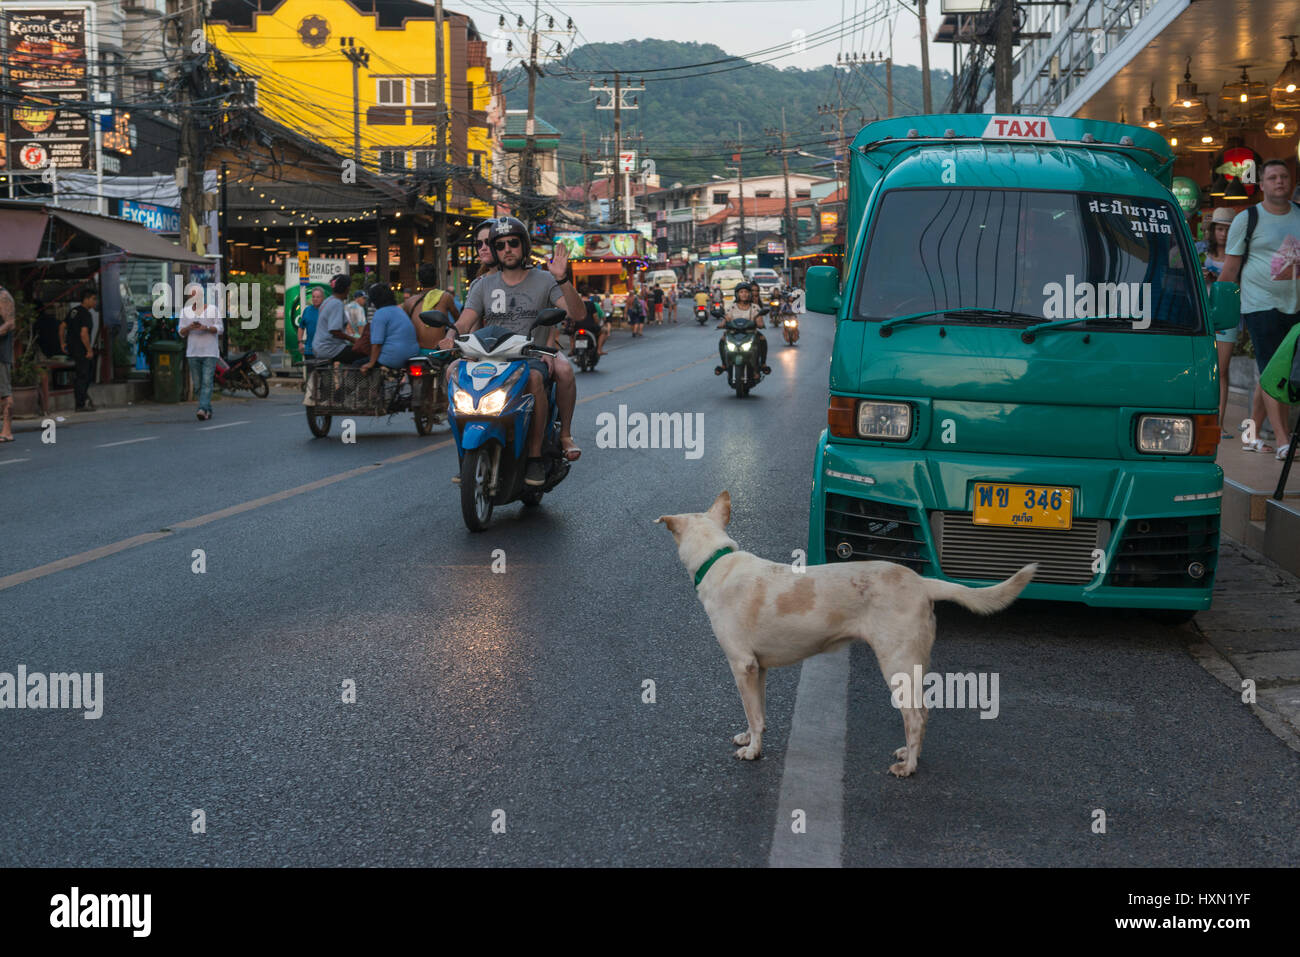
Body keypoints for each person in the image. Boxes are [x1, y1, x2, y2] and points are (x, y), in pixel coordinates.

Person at [438, 215, 584, 484]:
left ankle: (535, 457)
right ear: (495, 250)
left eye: (513, 243)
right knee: (453, 373)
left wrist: (562, 279)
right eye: (501, 244)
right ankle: (465, 454)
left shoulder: (544, 280)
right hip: (490, 357)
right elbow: (465, 320)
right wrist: (450, 336)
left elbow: (576, 313)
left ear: (523, 246)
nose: (507, 249)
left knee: (535, 378)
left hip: (529, 357)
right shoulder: (482, 285)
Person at [1219, 159, 1300, 461]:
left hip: (1296, 307)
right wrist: (1221, 309)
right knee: (1271, 372)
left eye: (1284, 176)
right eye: (1273, 177)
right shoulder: (1248, 218)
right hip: (1260, 305)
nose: (1280, 181)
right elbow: (1230, 267)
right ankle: (1283, 440)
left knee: (1280, 374)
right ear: (1262, 185)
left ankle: (1251, 435)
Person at [179, 293, 222, 421]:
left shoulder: (212, 309)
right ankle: (207, 409)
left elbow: (220, 328)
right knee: (197, 385)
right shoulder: (185, 312)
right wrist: (189, 327)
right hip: (193, 352)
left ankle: (202, 409)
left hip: (210, 352)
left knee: (207, 382)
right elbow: (181, 332)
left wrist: (206, 327)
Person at [359, 283, 419, 373]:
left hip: (393, 358)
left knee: (357, 364)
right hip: (413, 354)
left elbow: (377, 344)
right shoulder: (399, 310)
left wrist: (371, 363)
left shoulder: (380, 314)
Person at [402, 262, 459, 349]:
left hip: (416, 352)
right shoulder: (445, 297)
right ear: (437, 281)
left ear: (419, 282)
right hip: (439, 352)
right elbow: (458, 321)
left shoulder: (409, 302)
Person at [716, 282, 769, 374]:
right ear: (737, 294)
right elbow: (726, 319)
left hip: (750, 333)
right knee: (722, 339)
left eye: (746, 292)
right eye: (741, 292)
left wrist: (759, 323)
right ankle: (724, 364)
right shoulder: (731, 307)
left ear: (749, 294)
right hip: (733, 333)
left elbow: (760, 321)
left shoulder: (755, 307)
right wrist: (722, 324)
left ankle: (762, 364)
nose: (744, 294)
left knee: (762, 339)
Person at [313, 274, 367, 363]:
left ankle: (348, 375)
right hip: (330, 348)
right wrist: (353, 340)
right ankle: (354, 377)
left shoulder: (328, 301)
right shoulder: (337, 304)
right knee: (365, 353)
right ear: (346, 289)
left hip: (319, 347)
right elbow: (334, 330)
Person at [67, 288, 98, 412]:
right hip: (82, 349)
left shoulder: (73, 311)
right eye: (93, 299)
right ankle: (80, 404)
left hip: (73, 348)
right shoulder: (85, 313)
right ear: (86, 299)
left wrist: (63, 343)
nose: (95, 302)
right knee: (84, 375)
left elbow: (62, 326)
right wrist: (89, 350)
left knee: (83, 374)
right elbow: (84, 333)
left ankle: (82, 400)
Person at [569, 285, 609, 356]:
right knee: (604, 331)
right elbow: (595, 317)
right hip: (590, 326)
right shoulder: (592, 304)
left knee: (571, 334)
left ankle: (572, 350)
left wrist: (572, 325)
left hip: (578, 326)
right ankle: (599, 350)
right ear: (589, 294)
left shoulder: (577, 304)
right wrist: (597, 324)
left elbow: (573, 316)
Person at [0, 283, 14, 442]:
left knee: (5, 393)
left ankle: (7, 431)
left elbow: (10, 323)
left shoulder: (3, 296)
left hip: (1, 353)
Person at [299, 286, 324, 359]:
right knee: (310, 370)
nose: (315, 299)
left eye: (318, 297)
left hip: (324, 351)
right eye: (313, 297)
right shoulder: (307, 310)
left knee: (322, 370)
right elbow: (301, 327)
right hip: (309, 350)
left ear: (322, 298)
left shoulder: (326, 310)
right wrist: (300, 343)